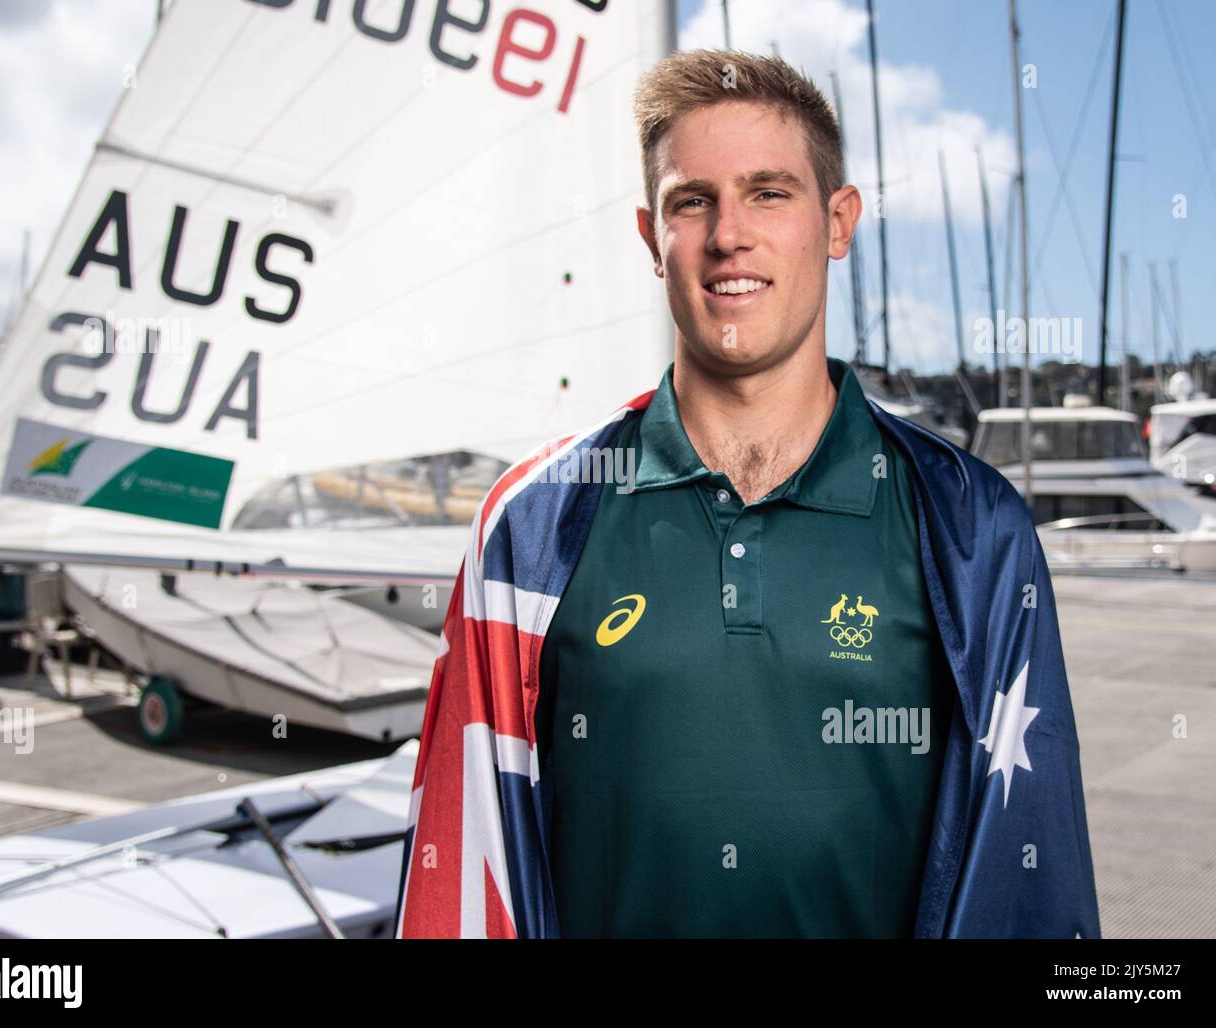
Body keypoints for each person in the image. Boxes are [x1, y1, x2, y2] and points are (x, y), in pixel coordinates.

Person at [395, 49, 1100, 939]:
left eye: (770, 192)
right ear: (652, 237)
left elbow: (1026, 870)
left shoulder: (971, 525)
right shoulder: (533, 524)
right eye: (694, 201)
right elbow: (467, 866)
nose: (731, 233)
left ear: (838, 221)